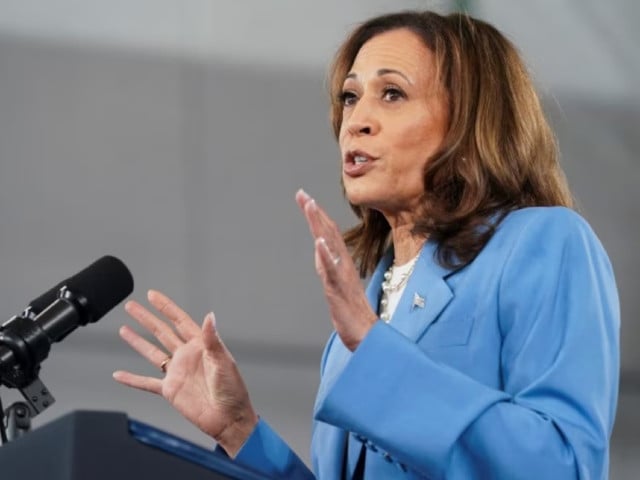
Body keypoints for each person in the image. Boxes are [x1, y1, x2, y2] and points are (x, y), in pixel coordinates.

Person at [113, 10, 619, 480]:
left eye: (392, 94)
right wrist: (240, 429)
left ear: (468, 122)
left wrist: (375, 350)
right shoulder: (355, 324)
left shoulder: (542, 244)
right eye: (350, 97)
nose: (356, 120)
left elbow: (562, 464)